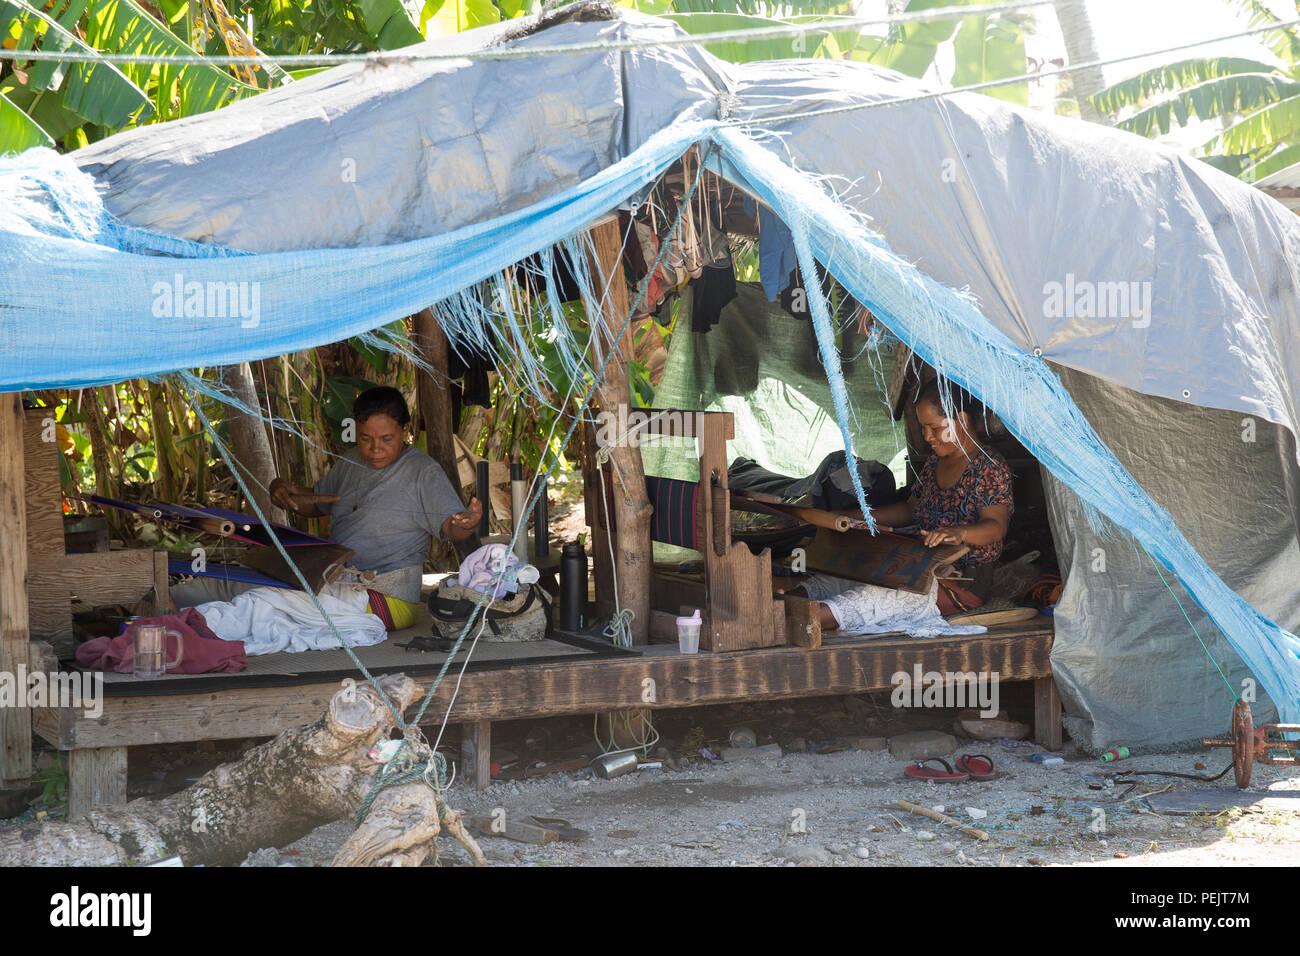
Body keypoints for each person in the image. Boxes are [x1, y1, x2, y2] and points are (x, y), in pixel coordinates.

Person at [173, 387, 480, 629]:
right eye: (365, 438)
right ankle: (157, 607)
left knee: (260, 602)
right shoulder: (351, 463)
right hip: (332, 581)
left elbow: (451, 527)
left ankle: (167, 629)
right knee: (229, 583)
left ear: (404, 430)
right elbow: (317, 505)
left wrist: (465, 523)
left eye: (387, 438)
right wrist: (285, 492)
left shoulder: (422, 472)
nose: (375, 448)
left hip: (385, 599)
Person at [789, 378, 1014, 632]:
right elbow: (909, 510)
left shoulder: (989, 466)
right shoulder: (934, 464)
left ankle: (794, 622)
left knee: (870, 599)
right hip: (918, 567)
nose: (927, 436)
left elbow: (996, 527)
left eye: (934, 428)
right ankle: (779, 606)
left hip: (960, 583)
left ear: (960, 419)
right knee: (834, 581)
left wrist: (958, 533)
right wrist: (856, 517)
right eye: (923, 428)